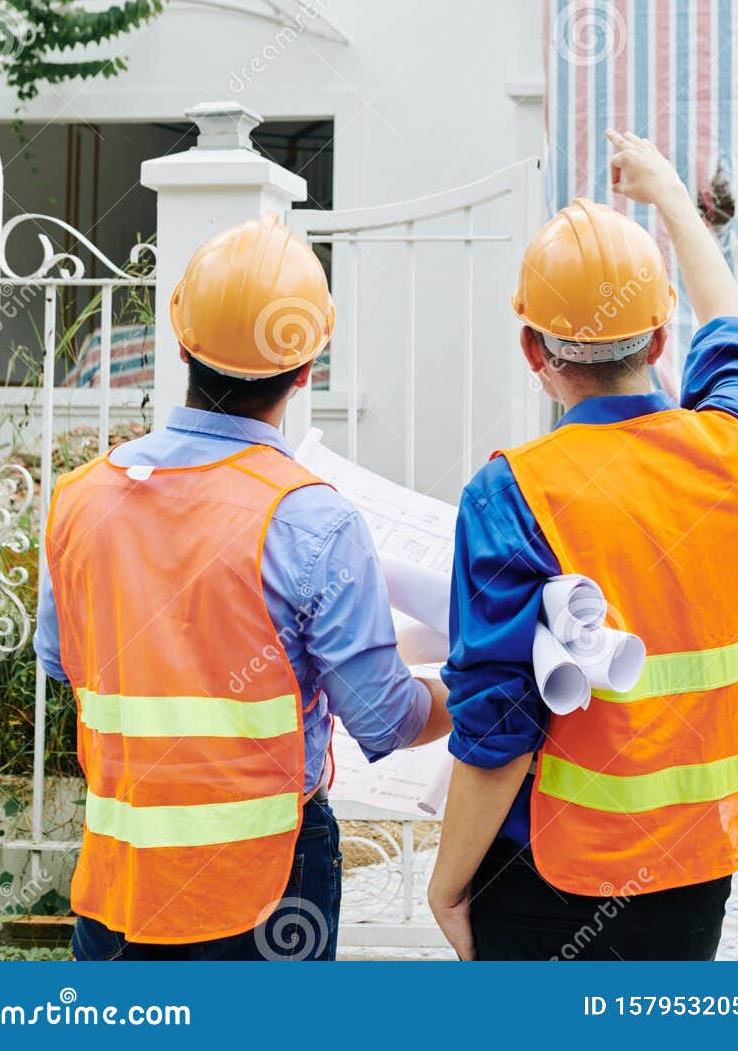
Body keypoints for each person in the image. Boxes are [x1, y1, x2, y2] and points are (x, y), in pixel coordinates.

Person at [35, 214, 449, 961]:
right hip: (266, 882)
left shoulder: (79, 498)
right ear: (306, 368)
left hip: (122, 870)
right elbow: (386, 723)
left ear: (182, 341)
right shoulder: (311, 518)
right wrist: (484, 676)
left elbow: (67, 663)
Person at [429, 132, 738, 961]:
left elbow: (499, 724)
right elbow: (733, 329)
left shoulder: (512, 492)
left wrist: (447, 884)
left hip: (548, 873)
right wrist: (666, 197)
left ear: (533, 351)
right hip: (695, 864)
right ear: (661, 342)